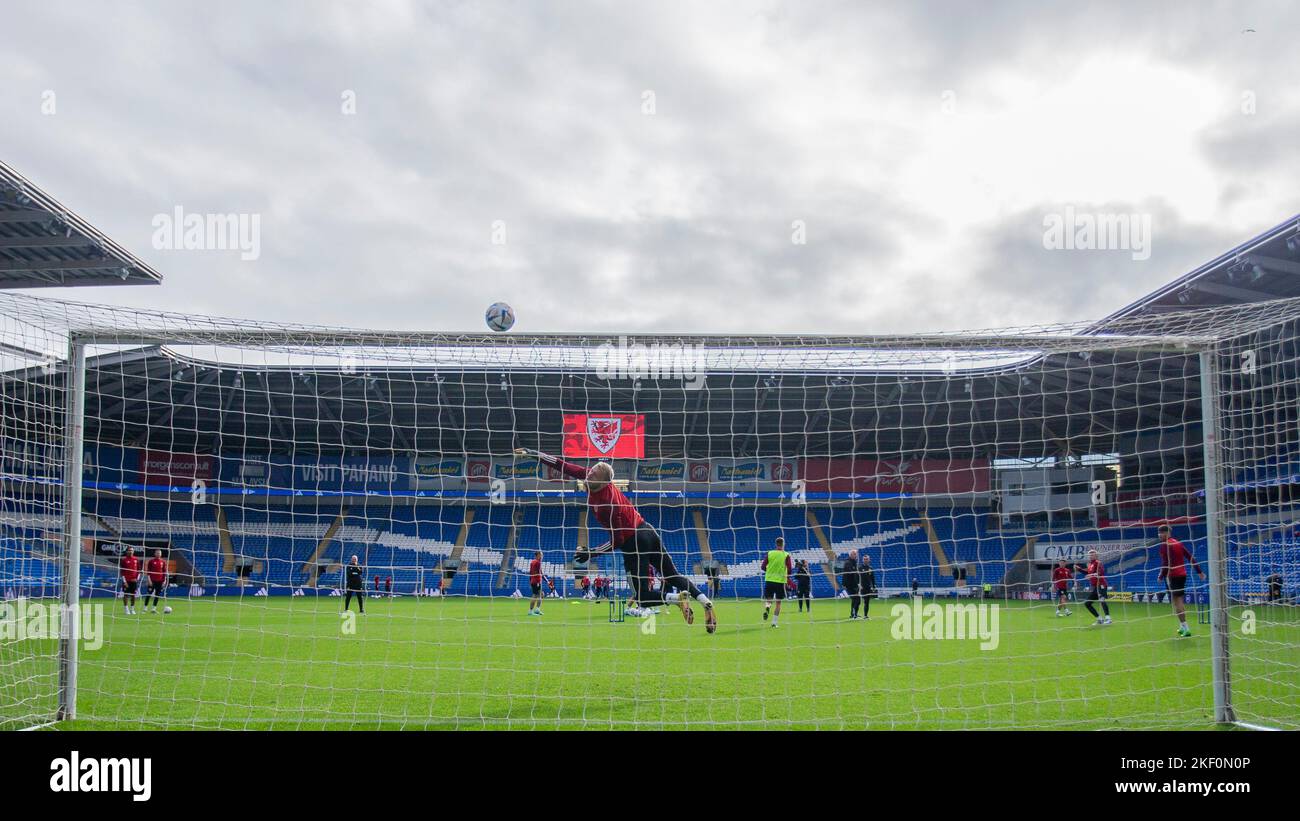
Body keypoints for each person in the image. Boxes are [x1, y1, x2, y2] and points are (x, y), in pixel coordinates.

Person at [517, 447, 717, 633]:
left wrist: (592, 552)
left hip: (635, 542)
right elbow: (560, 464)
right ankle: (706, 601)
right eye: (590, 470)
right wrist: (532, 453)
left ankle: (676, 599)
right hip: (648, 531)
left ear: (604, 482)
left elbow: (618, 540)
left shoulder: (607, 504)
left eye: (593, 473)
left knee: (642, 598)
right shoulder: (591, 478)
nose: (588, 474)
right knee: (672, 575)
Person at [1157, 525, 1205, 637]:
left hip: (1172, 576)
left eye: (1161, 533)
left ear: (1167, 533)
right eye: (1158, 533)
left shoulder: (1165, 545)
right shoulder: (1178, 543)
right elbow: (1190, 557)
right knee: (1179, 601)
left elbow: (1165, 563)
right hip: (1182, 574)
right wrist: (1199, 571)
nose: (1159, 535)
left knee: (1177, 602)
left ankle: (1186, 627)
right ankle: (1182, 626)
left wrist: (1161, 576)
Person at [761, 537, 792, 627]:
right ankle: (774, 623)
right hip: (780, 581)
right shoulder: (786, 554)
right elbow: (789, 569)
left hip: (769, 580)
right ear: (783, 544)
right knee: (778, 603)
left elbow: (763, 567)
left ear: (776, 544)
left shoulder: (770, 553)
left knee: (769, 600)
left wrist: (770, 572)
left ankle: (767, 607)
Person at [1076, 549, 1112, 625]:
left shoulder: (1098, 563)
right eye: (1090, 555)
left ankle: (1108, 619)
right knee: (1087, 603)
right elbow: (1087, 573)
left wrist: (1090, 575)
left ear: (1096, 555)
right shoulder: (1090, 564)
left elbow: (1100, 573)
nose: (1091, 556)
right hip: (1095, 587)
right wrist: (1079, 569)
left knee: (1102, 600)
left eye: (1092, 554)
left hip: (1101, 584)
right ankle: (1099, 619)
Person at [143, 549, 168, 614]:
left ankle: (153, 609)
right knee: (149, 594)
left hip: (160, 581)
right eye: (157, 553)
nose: (158, 554)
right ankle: (145, 609)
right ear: (155, 554)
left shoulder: (163, 562)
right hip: (152, 580)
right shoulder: (151, 561)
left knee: (157, 595)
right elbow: (148, 571)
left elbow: (164, 572)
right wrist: (149, 580)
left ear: (161, 554)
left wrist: (164, 580)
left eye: (159, 553)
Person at [841, 550, 863, 619]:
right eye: (854, 554)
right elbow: (847, 574)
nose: (856, 555)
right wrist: (844, 584)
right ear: (850, 555)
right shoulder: (847, 563)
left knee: (856, 599)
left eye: (856, 554)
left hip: (855, 584)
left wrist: (859, 583)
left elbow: (855, 574)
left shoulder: (854, 562)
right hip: (850, 584)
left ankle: (854, 614)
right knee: (856, 599)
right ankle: (853, 614)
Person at [119, 547, 141, 615]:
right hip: (126, 581)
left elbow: (139, 571)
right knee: (126, 595)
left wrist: (137, 579)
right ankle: (126, 609)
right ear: (126, 551)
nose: (130, 551)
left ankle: (132, 609)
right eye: (129, 550)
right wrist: (124, 581)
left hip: (134, 581)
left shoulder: (136, 559)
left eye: (131, 550)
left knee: (133, 595)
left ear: (133, 551)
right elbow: (122, 572)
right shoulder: (124, 560)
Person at [527, 550, 545, 616]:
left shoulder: (532, 562)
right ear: (538, 555)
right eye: (541, 555)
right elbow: (540, 573)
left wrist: (530, 580)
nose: (542, 556)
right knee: (535, 595)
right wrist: (547, 581)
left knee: (541, 594)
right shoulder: (538, 562)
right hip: (536, 581)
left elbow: (530, 572)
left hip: (534, 581)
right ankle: (530, 611)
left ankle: (537, 609)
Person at [860, 555, 877, 620]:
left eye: (867, 559)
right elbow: (856, 577)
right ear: (862, 560)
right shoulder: (860, 568)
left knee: (866, 602)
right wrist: (858, 584)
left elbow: (872, 578)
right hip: (861, 587)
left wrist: (873, 585)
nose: (865, 560)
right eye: (864, 559)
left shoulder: (871, 568)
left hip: (868, 587)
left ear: (869, 560)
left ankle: (865, 615)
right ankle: (855, 615)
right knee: (858, 601)